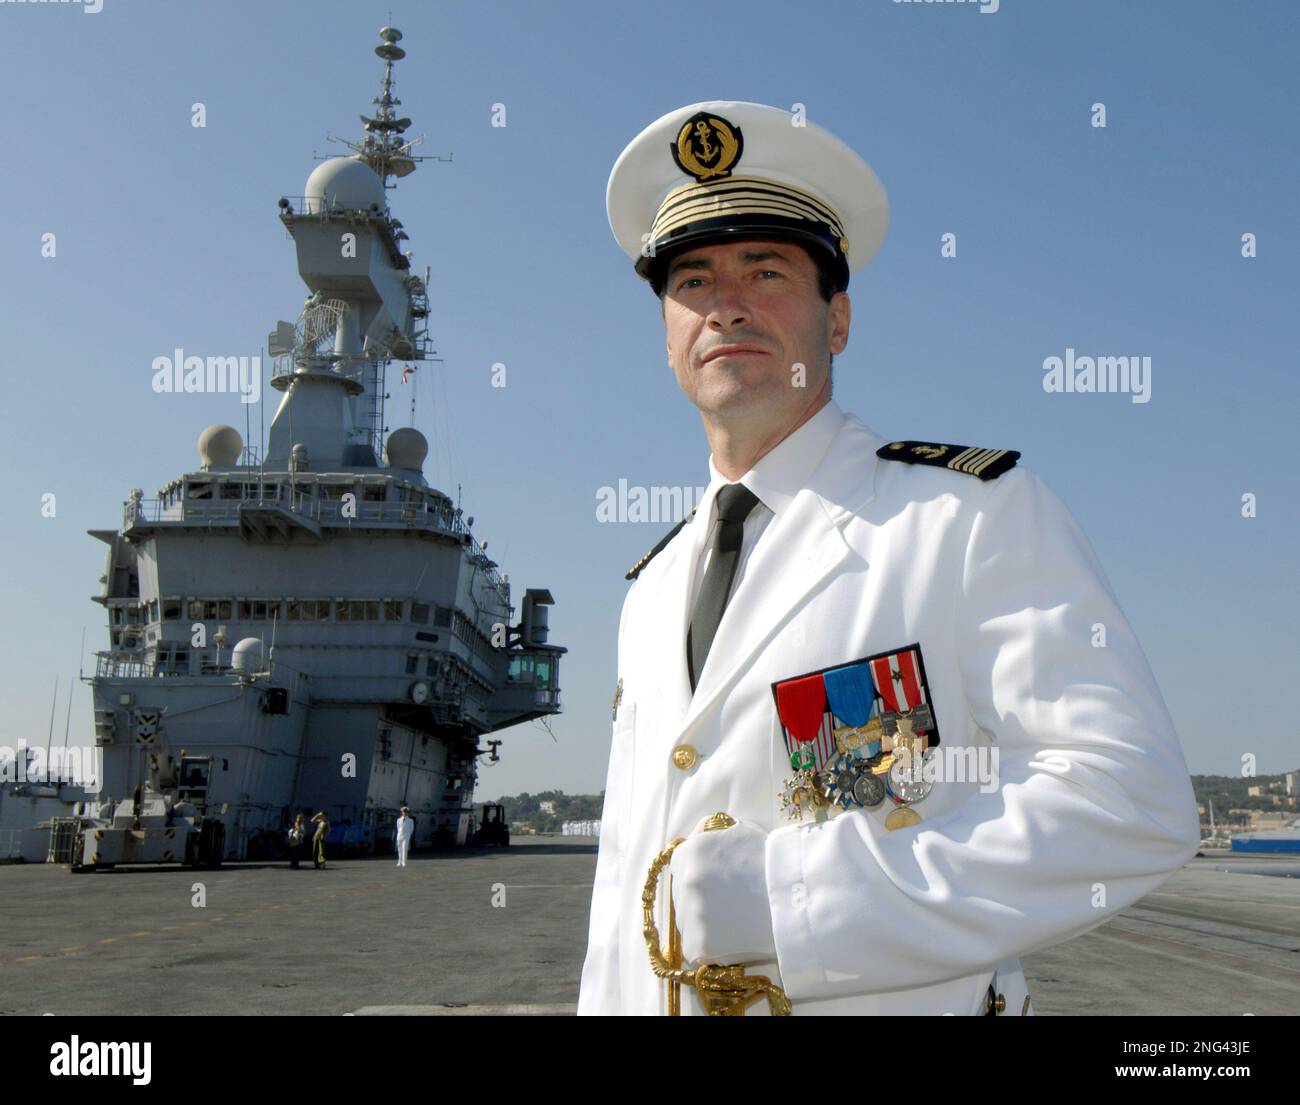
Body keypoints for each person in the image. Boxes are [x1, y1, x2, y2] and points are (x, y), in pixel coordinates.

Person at [577, 101, 1201, 1016]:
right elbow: (623, 887)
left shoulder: (965, 516)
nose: (727, 303)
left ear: (838, 321)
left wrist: (794, 899)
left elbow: (1128, 799)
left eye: (767, 269)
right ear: (670, 334)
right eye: (694, 280)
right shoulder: (652, 588)